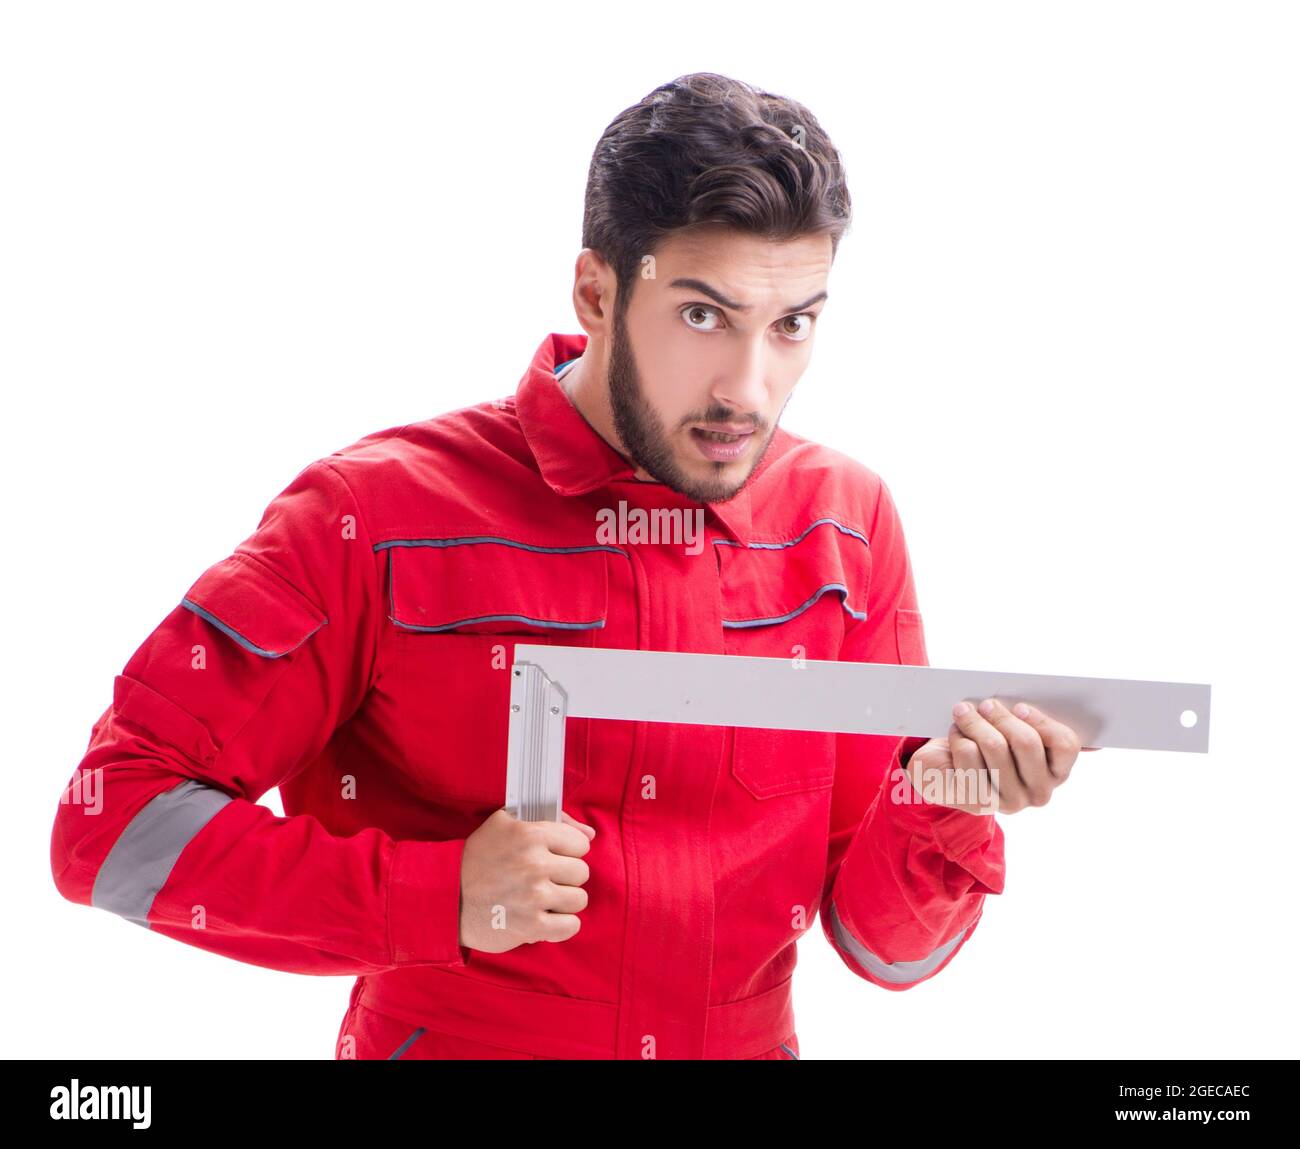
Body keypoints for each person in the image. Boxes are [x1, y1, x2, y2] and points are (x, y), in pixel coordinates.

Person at [50, 71, 1088, 1061]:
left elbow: (883, 950)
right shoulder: (374, 512)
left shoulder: (845, 526)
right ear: (595, 292)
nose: (748, 387)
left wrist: (945, 799)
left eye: (792, 325)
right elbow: (110, 822)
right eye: (701, 315)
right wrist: (440, 897)